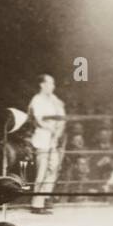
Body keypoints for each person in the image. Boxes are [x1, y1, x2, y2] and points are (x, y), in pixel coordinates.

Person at [27, 74, 66, 214]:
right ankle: (37, 204)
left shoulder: (54, 99)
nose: (53, 86)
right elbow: (38, 120)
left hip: (53, 139)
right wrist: (51, 129)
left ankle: (46, 198)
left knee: (53, 167)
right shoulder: (37, 100)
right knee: (42, 170)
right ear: (42, 85)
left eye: (53, 83)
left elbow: (62, 115)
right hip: (42, 138)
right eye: (50, 83)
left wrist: (58, 131)